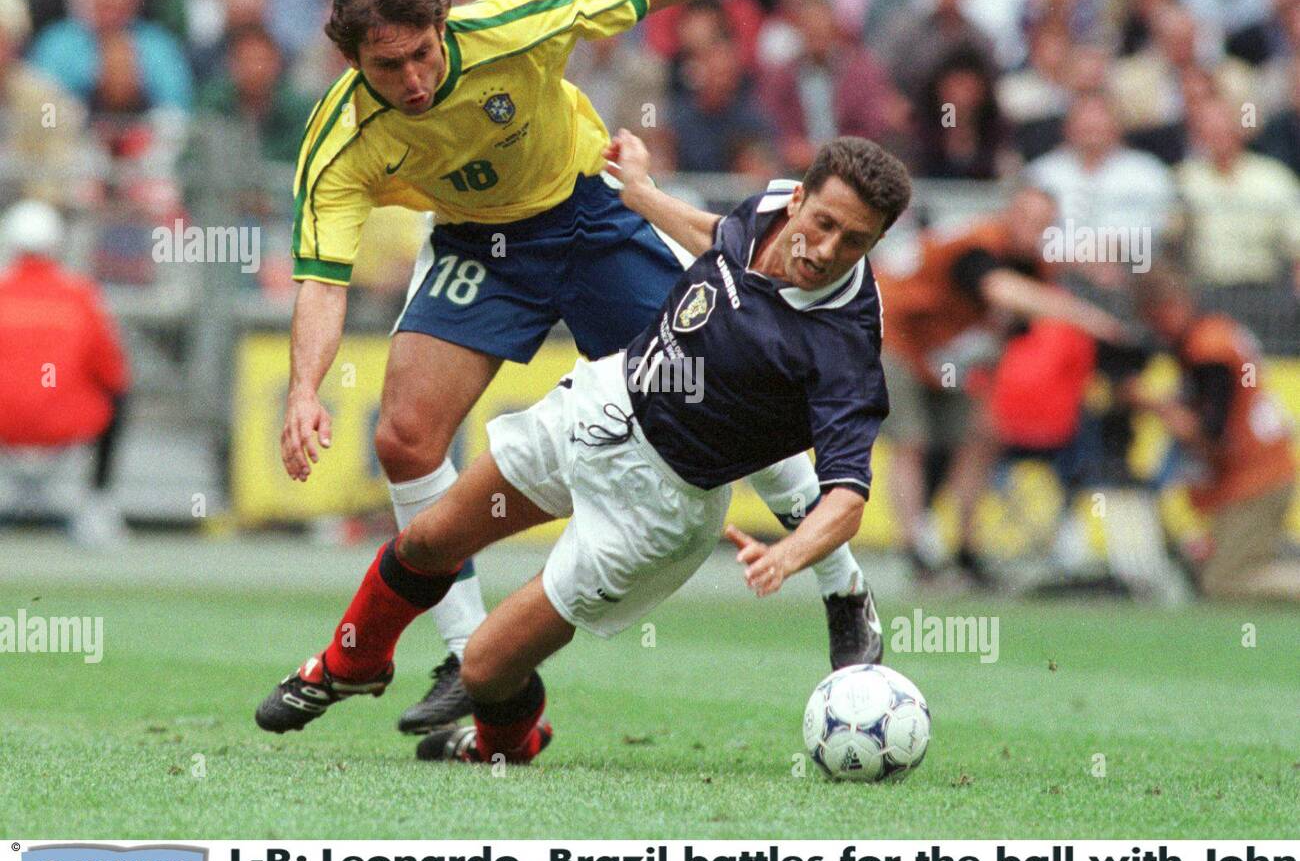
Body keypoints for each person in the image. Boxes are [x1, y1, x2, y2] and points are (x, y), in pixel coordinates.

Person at [280, 0, 883, 747]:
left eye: (421, 55)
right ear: (349, 60)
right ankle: (462, 654)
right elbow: (322, 278)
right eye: (387, 69)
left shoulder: (513, 27)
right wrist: (307, 388)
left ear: (444, 23)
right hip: (481, 247)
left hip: (589, 218)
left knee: (726, 381)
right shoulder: (339, 139)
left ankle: (845, 592)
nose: (412, 81)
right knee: (404, 436)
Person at [256, 132, 910, 763]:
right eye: (822, 223)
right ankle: (350, 662)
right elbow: (722, 238)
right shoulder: (770, 205)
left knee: (483, 667)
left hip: (659, 508)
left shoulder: (844, 344)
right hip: (606, 406)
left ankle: (502, 745)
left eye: (854, 241)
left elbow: (849, 495)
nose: (826, 250)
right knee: (428, 540)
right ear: (797, 197)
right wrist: (642, 194)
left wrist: (791, 553)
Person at [874, 186, 1126, 583]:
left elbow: (1004, 332)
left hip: (949, 356)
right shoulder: (978, 246)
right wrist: (1085, 315)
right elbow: (999, 290)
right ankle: (915, 551)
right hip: (898, 338)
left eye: (1042, 224)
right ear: (1009, 213)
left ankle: (965, 548)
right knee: (911, 442)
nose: (1032, 230)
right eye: (1026, 219)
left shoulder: (1032, 266)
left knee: (982, 437)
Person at [1128, 268, 1300, 603]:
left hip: (1257, 478)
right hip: (1255, 475)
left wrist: (1154, 404)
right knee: (1223, 571)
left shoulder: (1208, 348)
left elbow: (1211, 432)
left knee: (1226, 582)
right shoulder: (1215, 333)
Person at [0, 201, 130, 546]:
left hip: (4, 421)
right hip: (67, 421)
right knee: (119, 398)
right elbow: (113, 373)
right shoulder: (80, 295)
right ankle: (97, 506)